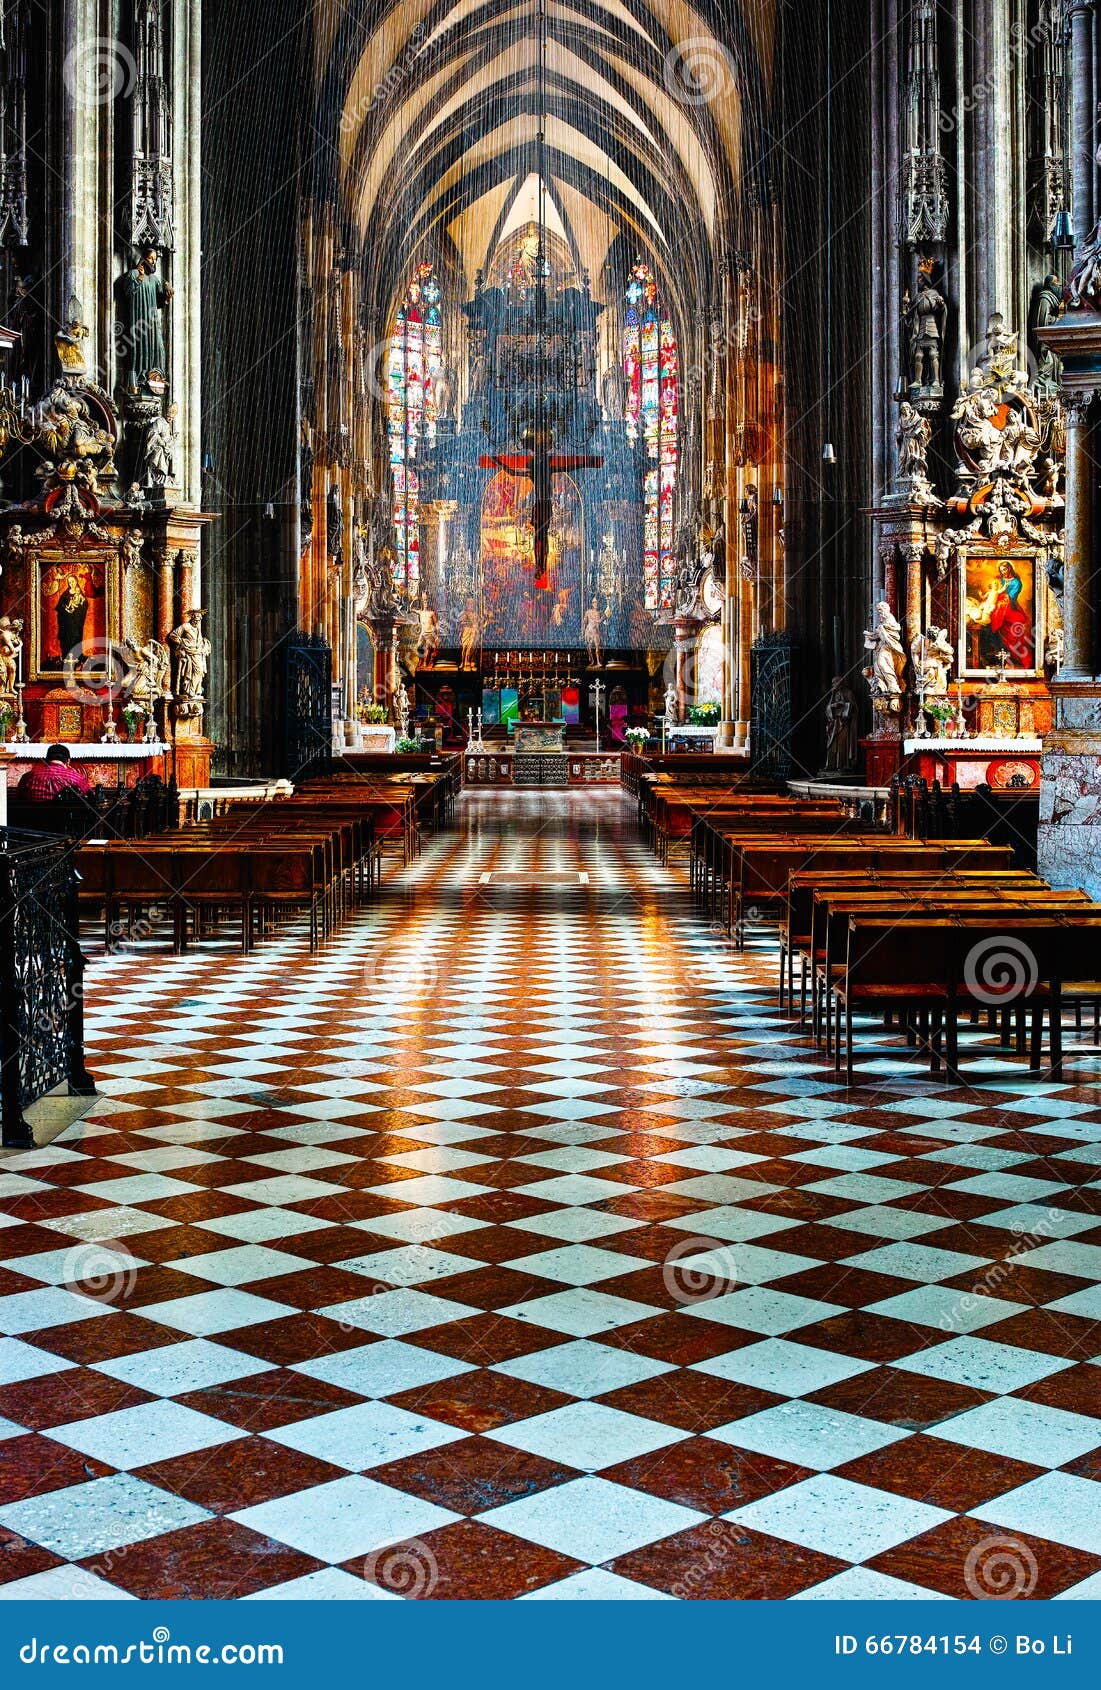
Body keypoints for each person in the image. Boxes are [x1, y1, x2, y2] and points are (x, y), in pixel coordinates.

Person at [16, 744, 91, 802]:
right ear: (68, 761)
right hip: (65, 820)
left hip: (32, 819)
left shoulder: (28, 776)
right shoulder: (76, 777)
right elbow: (91, 796)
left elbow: (19, 796)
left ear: (46, 760)